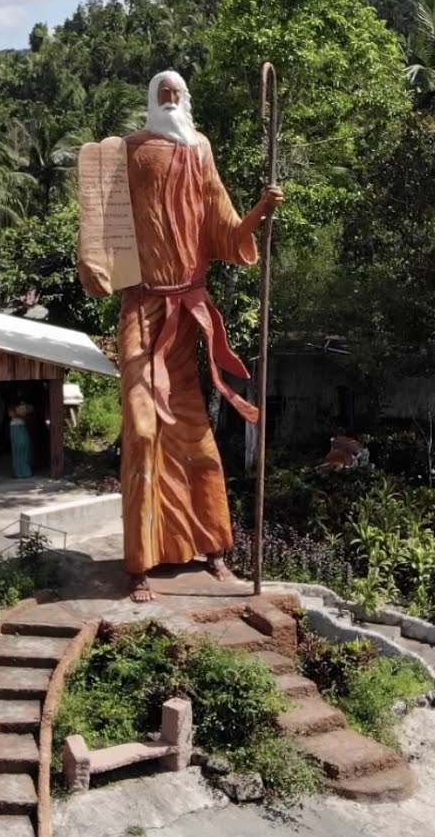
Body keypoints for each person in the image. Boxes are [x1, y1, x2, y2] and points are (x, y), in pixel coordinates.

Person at [78, 70, 282, 603]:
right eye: (161, 93)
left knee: (199, 442)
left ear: (185, 100)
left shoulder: (199, 151)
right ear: (150, 100)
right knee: (142, 430)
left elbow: (222, 226)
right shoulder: (127, 151)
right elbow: (99, 219)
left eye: (176, 93)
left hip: (188, 316)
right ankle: (139, 564)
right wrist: (93, 261)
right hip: (143, 309)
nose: (169, 99)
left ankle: (214, 552)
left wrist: (260, 211)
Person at [8, 399, 35, 478]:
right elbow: (11, 414)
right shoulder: (14, 408)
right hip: (16, 427)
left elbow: (29, 411)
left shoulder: (24, 407)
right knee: (19, 449)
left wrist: (19, 412)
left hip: (20, 427)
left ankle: (23, 472)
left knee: (23, 448)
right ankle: (20, 472)